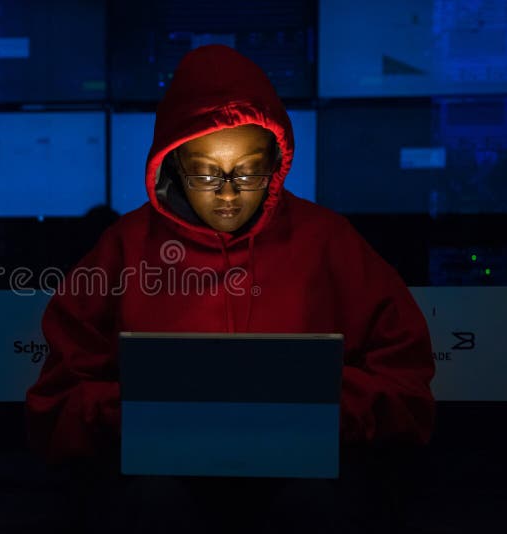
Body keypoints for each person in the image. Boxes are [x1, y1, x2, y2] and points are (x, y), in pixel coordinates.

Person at [25, 45, 435, 533]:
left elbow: (405, 380)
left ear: (276, 162)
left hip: (301, 475)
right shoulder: (124, 248)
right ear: (173, 164)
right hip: (163, 476)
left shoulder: (328, 241)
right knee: (153, 504)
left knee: (314, 505)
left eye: (248, 170)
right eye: (204, 172)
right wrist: (135, 412)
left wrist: (324, 410)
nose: (227, 192)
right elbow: (59, 397)